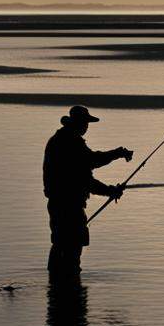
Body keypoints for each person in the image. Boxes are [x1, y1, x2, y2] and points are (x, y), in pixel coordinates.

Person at [43, 105, 132, 275]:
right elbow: (90, 163)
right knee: (71, 248)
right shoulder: (69, 141)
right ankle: (67, 289)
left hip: (59, 204)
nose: (87, 127)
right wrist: (118, 153)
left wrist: (109, 191)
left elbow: (83, 178)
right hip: (68, 206)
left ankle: (56, 290)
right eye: (85, 123)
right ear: (77, 123)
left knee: (61, 245)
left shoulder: (60, 139)